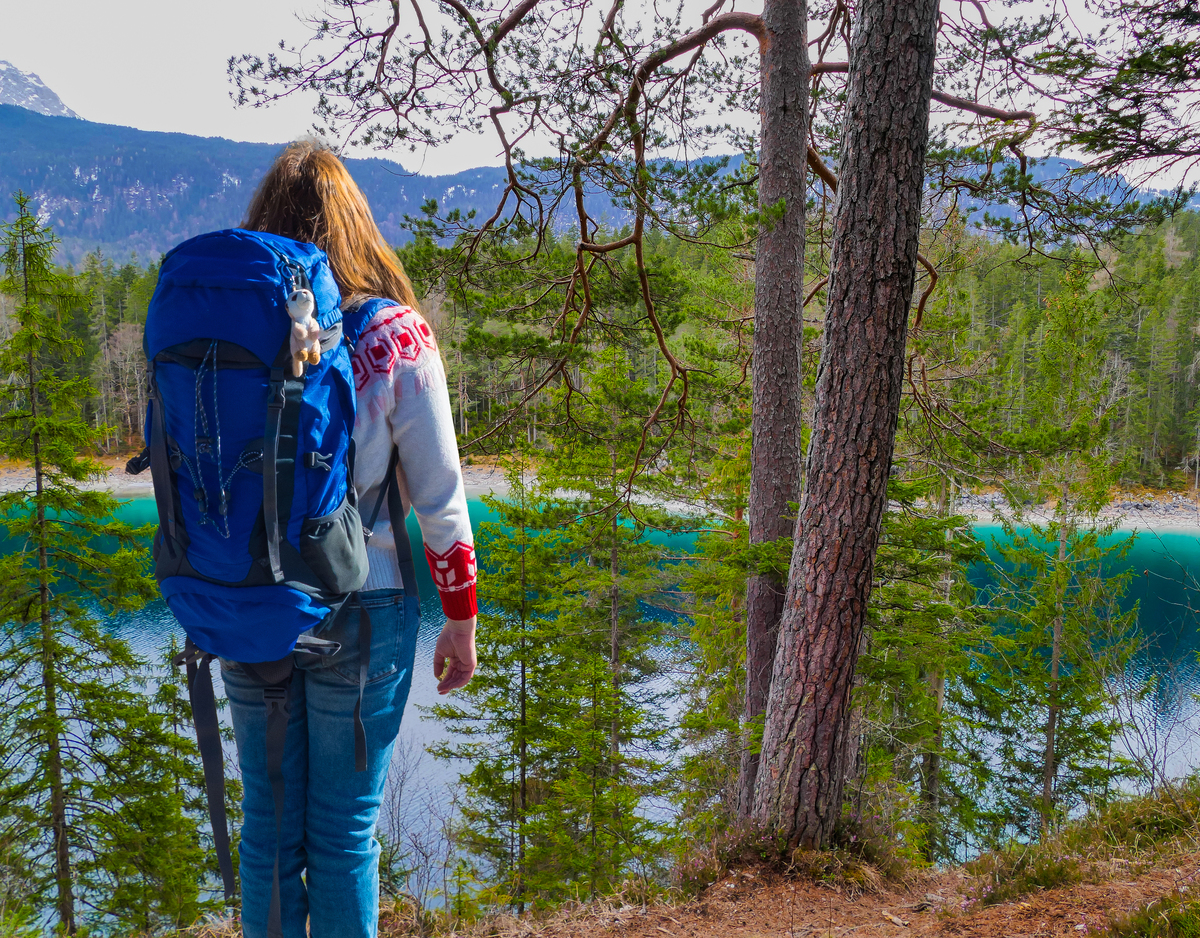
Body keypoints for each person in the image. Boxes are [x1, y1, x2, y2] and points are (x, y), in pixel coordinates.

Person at [220, 139, 478, 938]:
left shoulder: (236, 332)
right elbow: (438, 501)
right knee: (340, 839)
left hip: (251, 605)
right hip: (364, 607)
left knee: (268, 836)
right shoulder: (394, 335)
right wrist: (460, 615)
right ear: (357, 221)